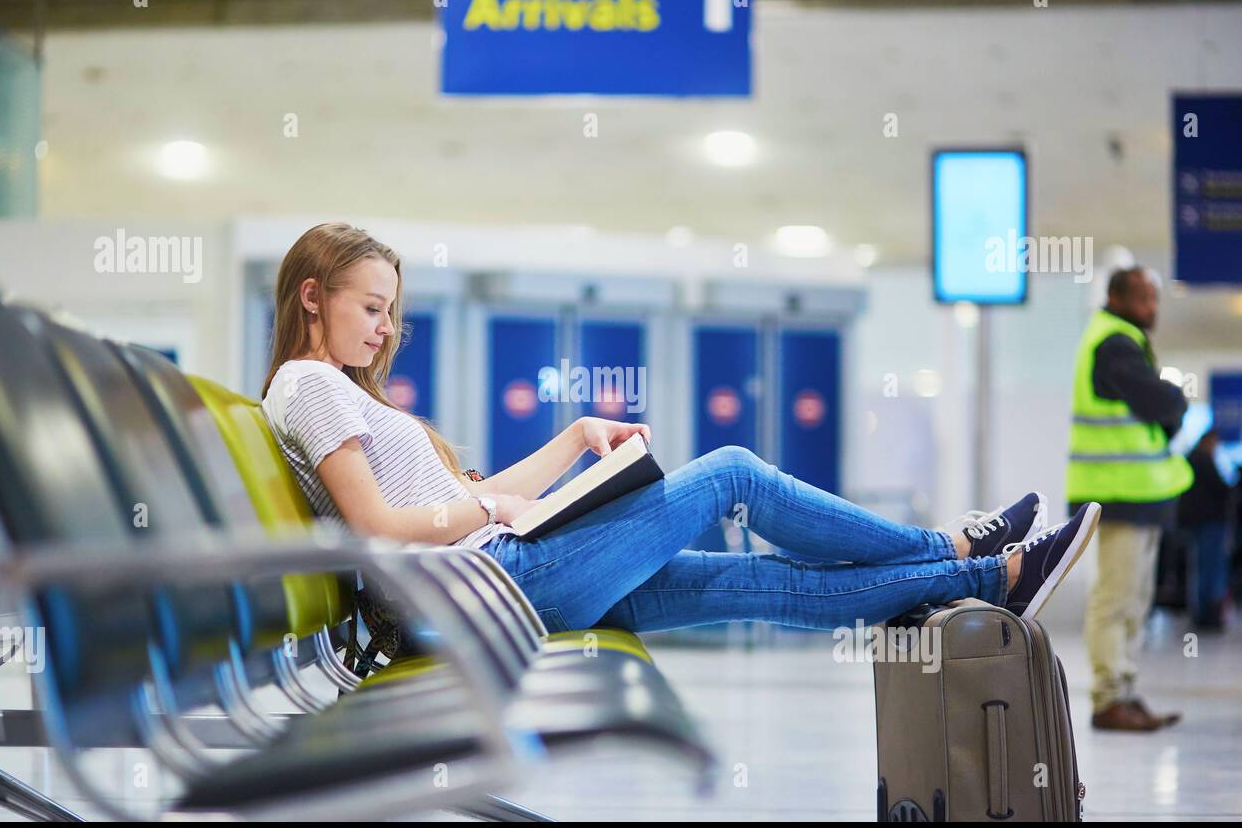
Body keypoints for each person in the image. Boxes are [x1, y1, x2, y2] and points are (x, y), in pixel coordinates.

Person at [261, 223, 1101, 645]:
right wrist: (490, 514)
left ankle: (995, 579)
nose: (383, 330)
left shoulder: (338, 392)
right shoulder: (306, 384)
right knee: (733, 471)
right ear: (310, 296)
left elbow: (463, 498)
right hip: (479, 589)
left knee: (751, 583)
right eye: (371, 309)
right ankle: (950, 544)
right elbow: (375, 525)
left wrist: (575, 440)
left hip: (487, 583)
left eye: (389, 313)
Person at [1067, 266, 1193, 731]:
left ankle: (1123, 689)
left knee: (1134, 599)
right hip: (1117, 492)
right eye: (1143, 298)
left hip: (1136, 494)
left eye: (1155, 298)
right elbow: (1159, 402)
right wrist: (1177, 400)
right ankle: (1107, 699)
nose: (1152, 308)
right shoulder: (1114, 341)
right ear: (1117, 298)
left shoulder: (1122, 339)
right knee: (1116, 598)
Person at [1177, 429, 1235, 629]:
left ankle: (1201, 613)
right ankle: (1210, 615)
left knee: (1200, 566)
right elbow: (1222, 489)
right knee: (1212, 567)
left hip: (1196, 523)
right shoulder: (1204, 460)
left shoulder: (1190, 459)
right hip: (1211, 522)